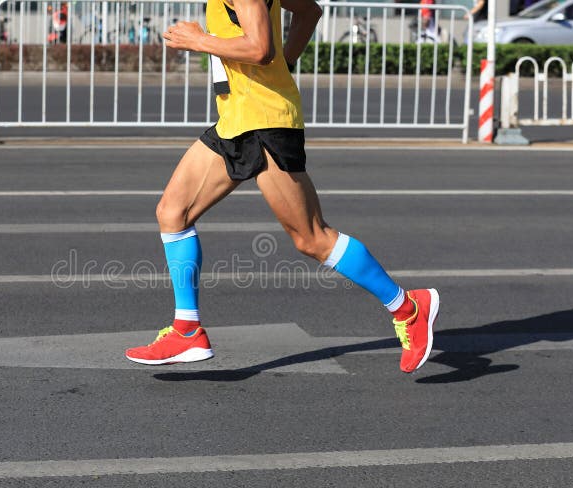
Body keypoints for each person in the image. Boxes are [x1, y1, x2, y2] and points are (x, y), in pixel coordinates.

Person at [123, 0, 440, 374]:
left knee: (313, 238)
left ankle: (408, 307)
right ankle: (187, 330)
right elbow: (309, 12)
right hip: (235, 121)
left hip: (264, 124)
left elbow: (259, 48)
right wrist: (283, 64)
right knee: (172, 212)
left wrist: (200, 40)